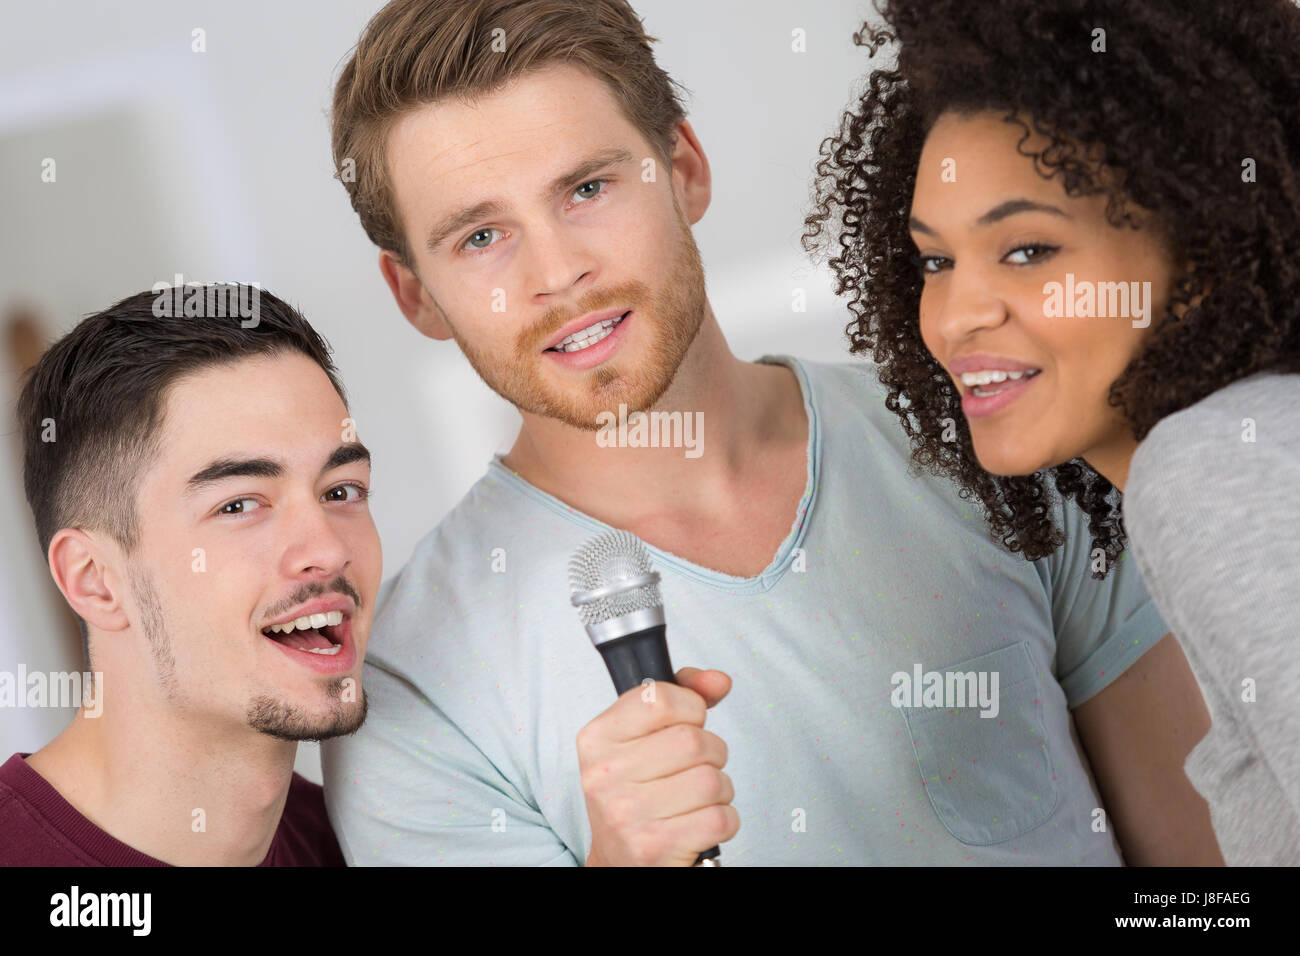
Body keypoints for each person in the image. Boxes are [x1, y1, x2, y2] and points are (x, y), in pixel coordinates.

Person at [322, 0, 1219, 866]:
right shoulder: (413, 687)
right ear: (414, 295)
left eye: (588, 188)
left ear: (683, 168)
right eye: (481, 237)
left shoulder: (990, 441)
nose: (559, 271)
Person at [805, 0, 1300, 864]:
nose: (957, 317)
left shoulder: (1211, 465)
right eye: (935, 261)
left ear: (1203, 245)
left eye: (1028, 250)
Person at [1, 285, 380, 866]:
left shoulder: (377, 843)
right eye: (238, 505)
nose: (328, 549)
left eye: (341, 491)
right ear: (95, 579)